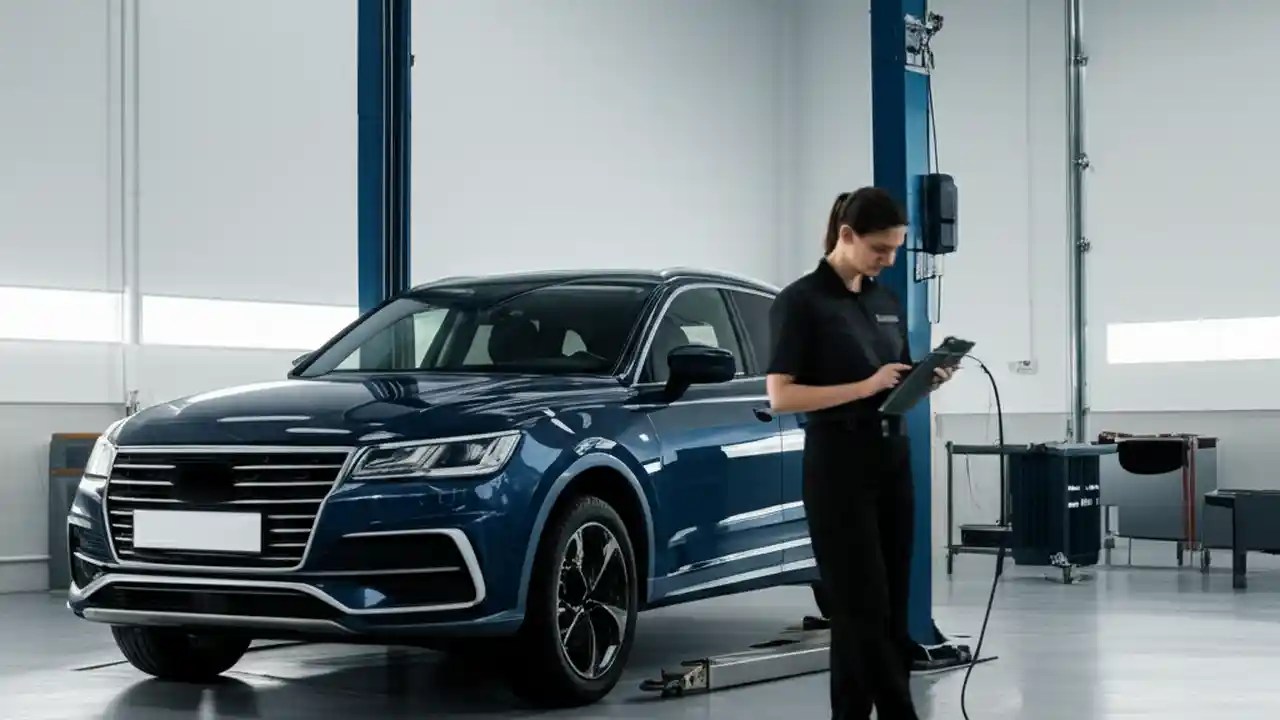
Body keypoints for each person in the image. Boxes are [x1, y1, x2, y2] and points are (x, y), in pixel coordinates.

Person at [765, 187, 953, 720]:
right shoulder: (800, 302)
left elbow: (894, 376)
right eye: (879, 249)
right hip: (838, 464)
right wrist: (867, 386)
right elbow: (781, 397)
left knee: (888, 607)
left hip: (893, 461)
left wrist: (925, 379)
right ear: (846, 236)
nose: (888, 261)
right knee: (860, 606)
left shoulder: (884, 300)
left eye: (895, 249)